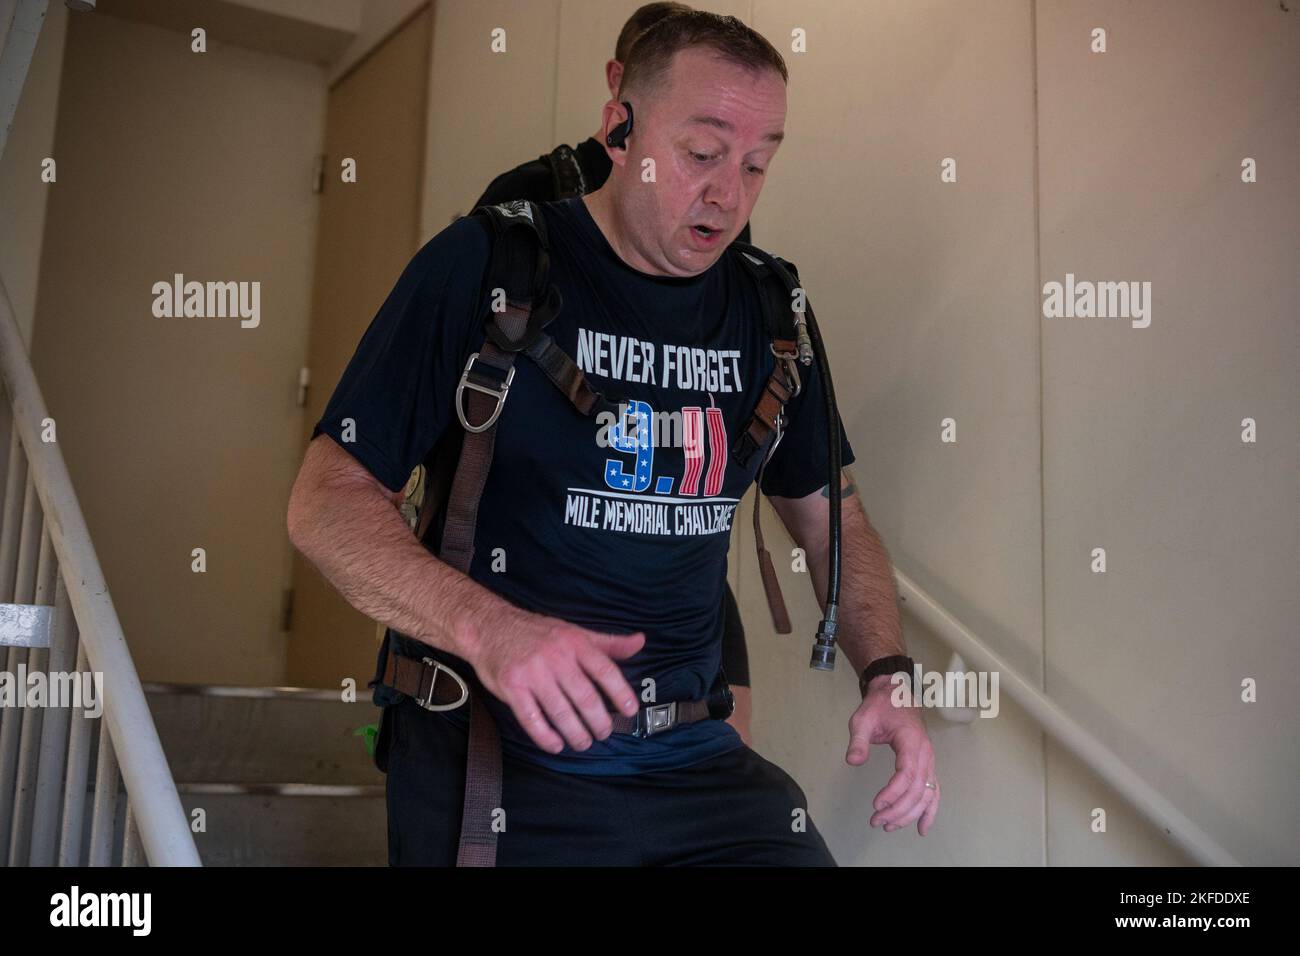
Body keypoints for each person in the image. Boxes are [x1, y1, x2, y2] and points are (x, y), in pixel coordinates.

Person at [288, 10, 939, 866]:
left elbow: (834, 524)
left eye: (756, 164)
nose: (729, 193)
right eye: (702, 153)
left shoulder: (772, 313)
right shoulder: (488, 265)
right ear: (620, 128)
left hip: (695, 762)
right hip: (498, 758)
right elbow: (325, 504)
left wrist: (887, 674)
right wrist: (492, 632)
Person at [466, 2, 756, 746]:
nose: (723, 189)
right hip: (551, 523)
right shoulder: (525, 201)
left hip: (676, 504)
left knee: (729, 736)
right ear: (621, 85)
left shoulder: (723, 222)